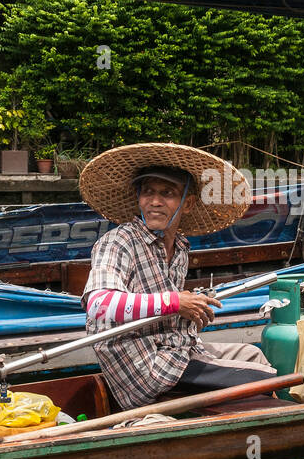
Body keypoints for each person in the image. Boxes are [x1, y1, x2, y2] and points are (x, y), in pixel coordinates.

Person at [79, 142, 277, 411]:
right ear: (138, 198)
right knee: (268, 379)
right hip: (148, 370)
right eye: (148, 192)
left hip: (178, 353)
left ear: (188, 203)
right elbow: (99, 306)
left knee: (253, 354)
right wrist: (175, 303)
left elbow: (167, 319)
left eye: (168, 193)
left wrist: (190, 315)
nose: (155, 202)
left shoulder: (180, 248)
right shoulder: (119, 242)